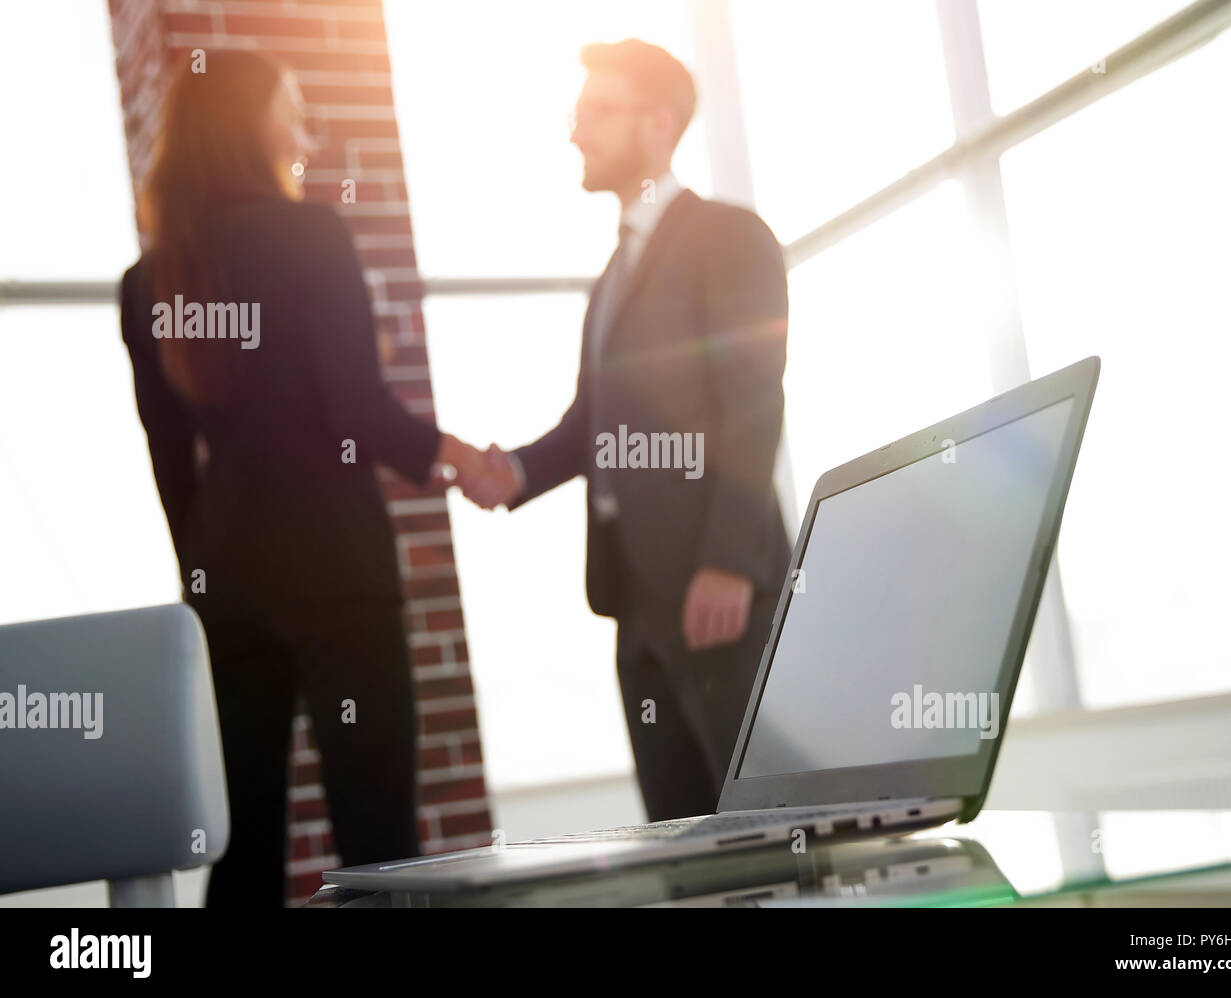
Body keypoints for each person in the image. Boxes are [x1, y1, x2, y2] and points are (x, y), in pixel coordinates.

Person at [118, 50, 484, 906]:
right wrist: (457, 454)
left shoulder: (148, 283)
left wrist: (203, 574)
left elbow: (168, 460)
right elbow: (356, 407)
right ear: (252, 124)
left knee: (241, 844)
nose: (302, 128)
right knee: (380, 842)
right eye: (289, 107)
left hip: (231, 584)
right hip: (338, 570)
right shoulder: (310, 235)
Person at [460, 40, 791, 822]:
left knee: (767, 832)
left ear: (657, 124)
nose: (576, 132)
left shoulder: (728, 235)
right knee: (684, 842)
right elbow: (592, 426)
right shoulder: (614, 275)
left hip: (716, 592)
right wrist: (515, 472)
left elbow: (753, 400)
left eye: (595, 112)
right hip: (635, 599)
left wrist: (725, 563)